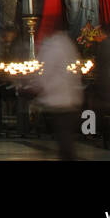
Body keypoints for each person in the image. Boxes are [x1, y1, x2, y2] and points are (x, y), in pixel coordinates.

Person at [32, 31, 82, 160]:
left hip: (58, 100)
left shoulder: (52, 47)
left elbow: (46, 72)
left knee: (64, 139)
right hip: (68, 98)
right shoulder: (66, 44)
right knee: (66, 138)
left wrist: (39, 87)